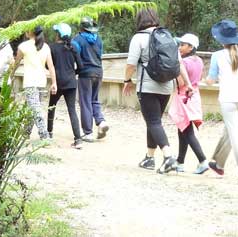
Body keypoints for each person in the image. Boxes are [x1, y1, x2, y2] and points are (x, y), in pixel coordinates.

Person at [123, 9, 194, 173]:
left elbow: (131, 64)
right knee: (154, 121)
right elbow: (179, 63)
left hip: (147, 86)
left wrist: (127, 80)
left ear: (140, 20)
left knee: (153, 121)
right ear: (155, 19)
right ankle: (149, 157)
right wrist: (188, 83)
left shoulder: (138, 38)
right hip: (167, 86)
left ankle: (168, 157)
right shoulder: (167, 37)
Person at [205, 19, 238, 186]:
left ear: (221, 40)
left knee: (235, 135)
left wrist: (205, 79)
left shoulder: (217, 56)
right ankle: (218, 165)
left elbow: (211, 80)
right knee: (230, 131)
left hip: (227, 99)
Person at [169, 33, 210, 174]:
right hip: (194, 96)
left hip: (183, 96)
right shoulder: (199, 60)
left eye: (183, 45)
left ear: (191, 47)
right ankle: (180, 162)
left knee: (187, 131)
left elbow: (181, 83)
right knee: (183, 129)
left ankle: (203, 160)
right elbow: (199, 78)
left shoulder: (183, 63)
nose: (180, 47)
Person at [16, 26, 58, 141]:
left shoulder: (23, 46)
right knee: (33, 108)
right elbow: (51, 66)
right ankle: (26, 134)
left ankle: (44, 136)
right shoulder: (45, 46)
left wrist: (9, 77)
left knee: (35, 109)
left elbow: (15, 63)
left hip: (30, 82)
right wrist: (54, 82)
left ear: (30, 32)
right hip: (41, 82)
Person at [48, 23, 85, 150]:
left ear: (58, 34)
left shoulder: (51, 48)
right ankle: (78, 139)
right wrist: (72, 74)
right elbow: (81, 67)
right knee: (72, 110)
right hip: (71, 83)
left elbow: (48, 65)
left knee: (51, 107)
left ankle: (49, 133)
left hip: (57, 83)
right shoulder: (73, 47)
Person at [73, 17, 108, 142]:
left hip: (85, 74)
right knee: (94, 99)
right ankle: (101, 121)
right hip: (99, 72)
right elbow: (100, 55)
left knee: (85, 102)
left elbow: (75, 57)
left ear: (81, 27)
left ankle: (88, 133)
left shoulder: (77, 39)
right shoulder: (98, 39)